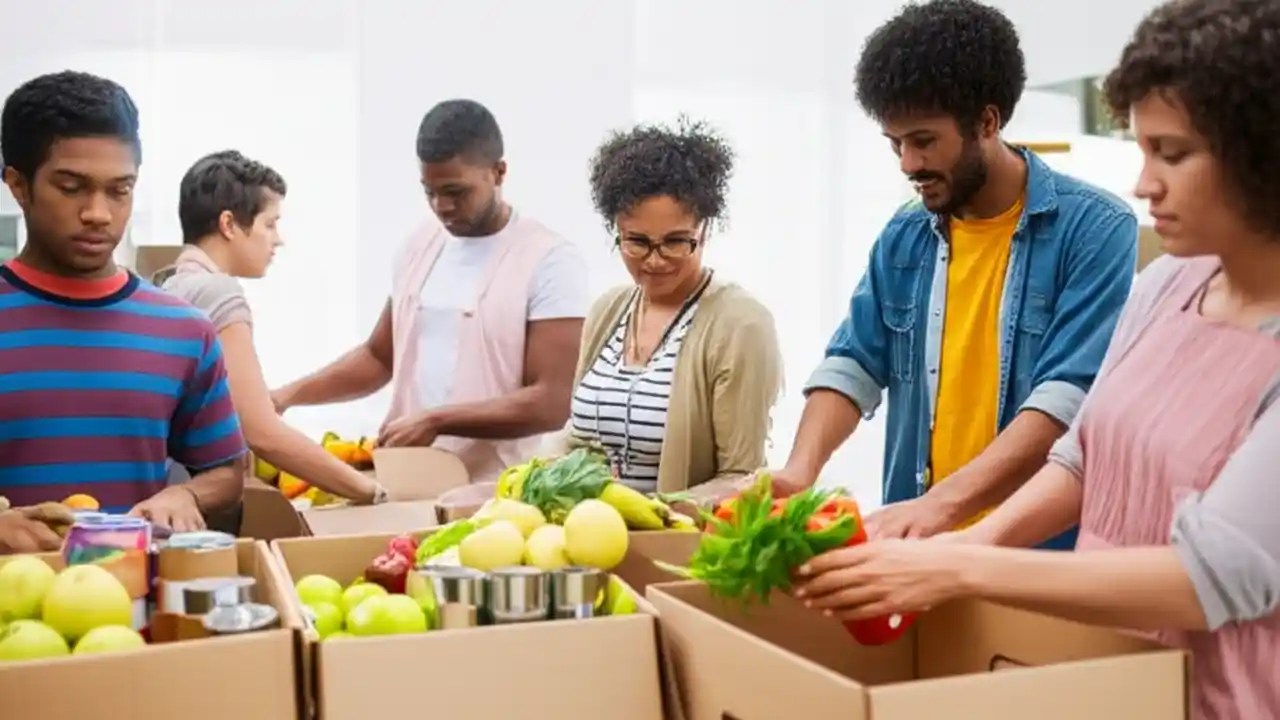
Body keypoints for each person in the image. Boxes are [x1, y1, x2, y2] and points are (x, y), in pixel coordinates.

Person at [794, 1, 1280, 716]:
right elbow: (1082, 456)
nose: (1145, 184)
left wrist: (960, 562)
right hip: (1096, 677)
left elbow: (1216, 577)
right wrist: (946, 543)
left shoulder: (1099, 234)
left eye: (1171, 154)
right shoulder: (1166, 286)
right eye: (1142, 151)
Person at [767, 0, 1137, 548]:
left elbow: (1066, 397)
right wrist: (798, 473)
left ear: (988, 121)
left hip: (1029, 553)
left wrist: (938, 510)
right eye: (895, 144)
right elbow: (853, 362)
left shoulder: (1096, 230)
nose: (907, 164)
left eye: (923, 141)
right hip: (917, 550)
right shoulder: (904, 234)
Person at [271, 99, 588, 484]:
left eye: (456, 192)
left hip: (499, 494)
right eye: (430, 192)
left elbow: (553, 402)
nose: (442, 206)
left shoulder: (549, 260)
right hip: (408, 479)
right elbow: (379, 357)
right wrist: (286, 396)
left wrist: (438, 419)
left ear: (499, 172)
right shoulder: (419, 246)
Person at [0, 71, 245, 552]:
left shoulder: (184, 331)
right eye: (71, 187)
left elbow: (226, 471)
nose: (99, 212)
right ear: (18, 185)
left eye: (120, 189)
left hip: (132, 609)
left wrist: (186, 492)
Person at [558, 118, 782, 496]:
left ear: (704, 230)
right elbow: (577, 441)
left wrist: (655, 519)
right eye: (637, 242)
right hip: (589, 543)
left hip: (677, 547)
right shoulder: (608, 310)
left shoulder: (741, 324)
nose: (655, 261)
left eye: (676, 242)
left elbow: (741, 476)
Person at [156, 150, 386, 506]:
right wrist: (370, 490)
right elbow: (262, 431)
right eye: (270, 223)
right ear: (229, 224)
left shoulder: (167, 287)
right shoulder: (215, 292)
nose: (278, 239)